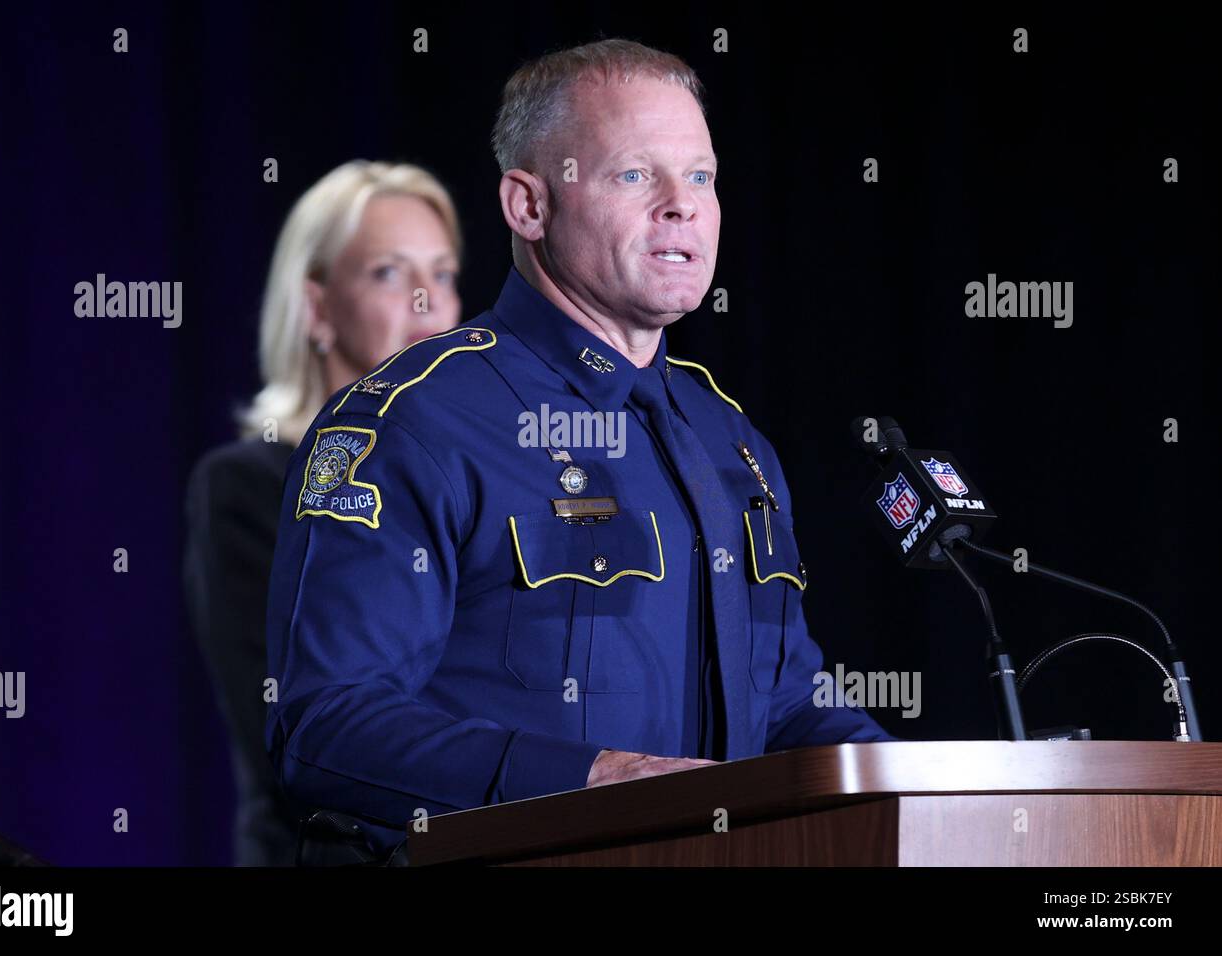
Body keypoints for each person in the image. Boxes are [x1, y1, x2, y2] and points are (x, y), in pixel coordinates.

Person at [265, 40, 898, 861]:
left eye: (701, 177)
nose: (683, 207)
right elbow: (326, 726)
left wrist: (919, 780)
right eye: (636, 175)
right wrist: (592, 782)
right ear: (528, 206)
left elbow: (782, 710)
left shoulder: (731, 440)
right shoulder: (410, 424)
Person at [184, 160, 463, 865]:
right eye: (389, 274)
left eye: (445, 273)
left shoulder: (468, 483)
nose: (430, 303)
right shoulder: (248, 487)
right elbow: (294, 738)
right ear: (316, 307)